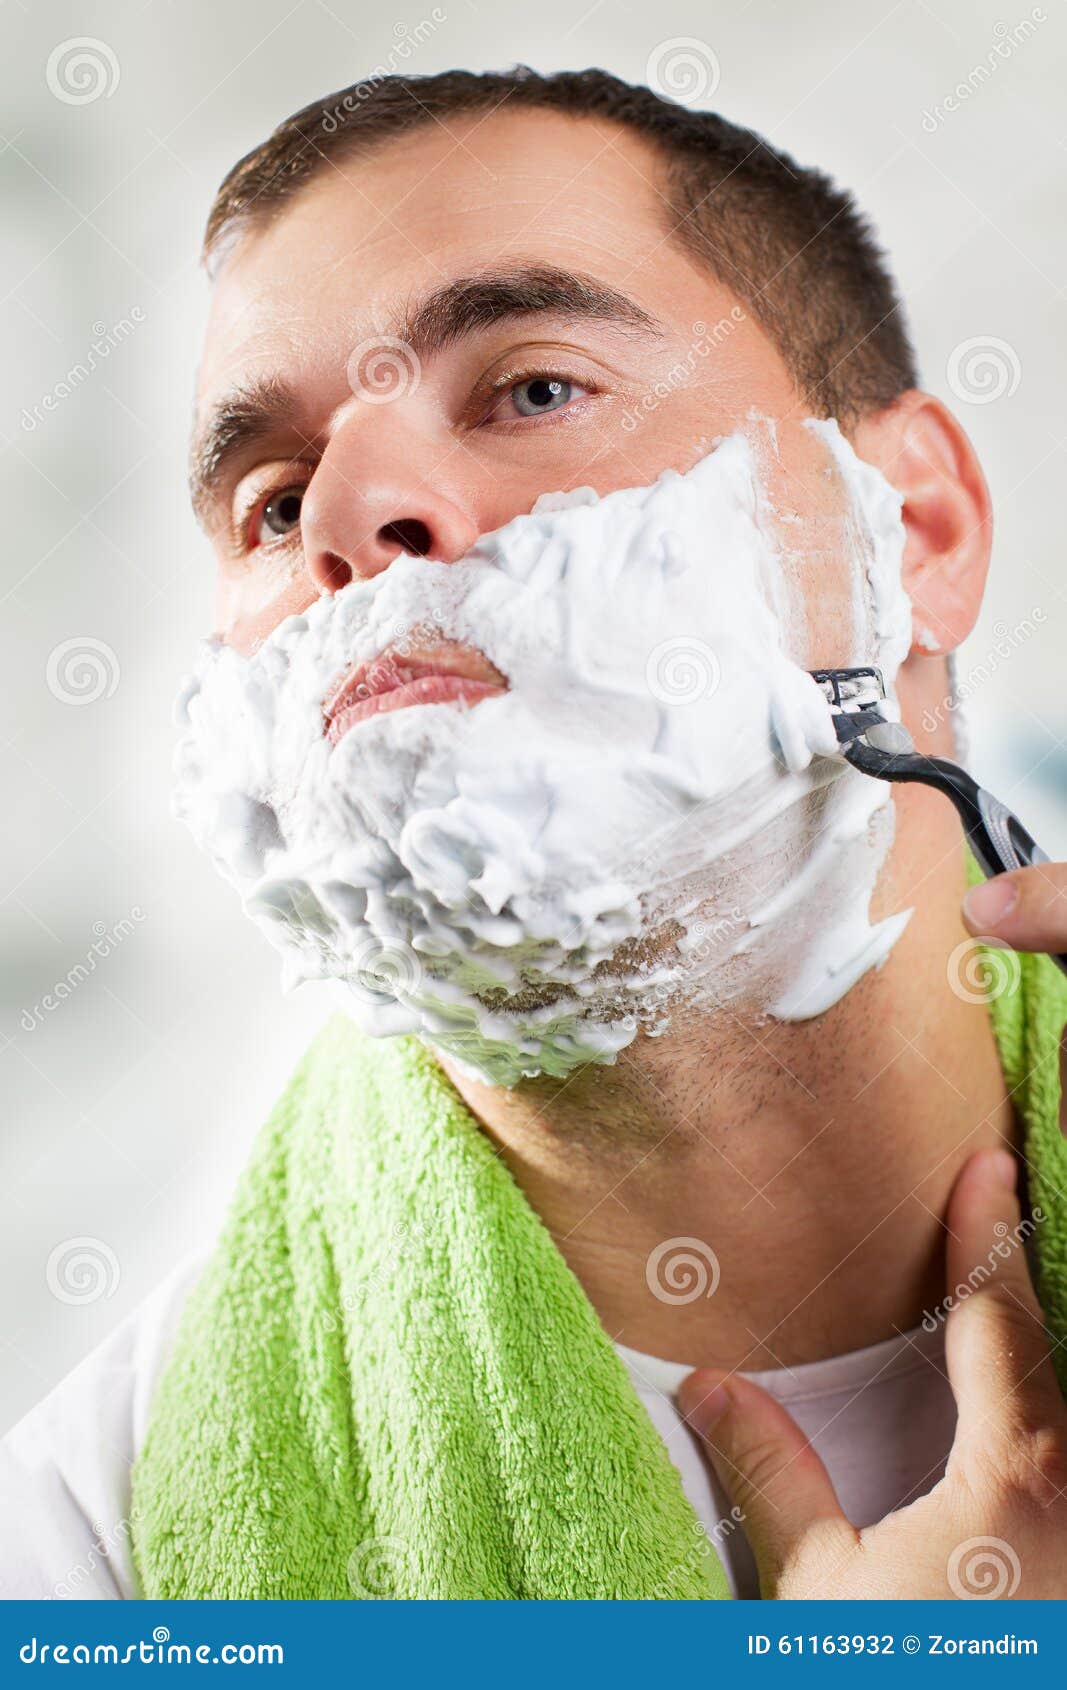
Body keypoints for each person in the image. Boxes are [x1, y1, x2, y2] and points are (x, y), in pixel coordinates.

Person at [3, 66, 1066, 1602]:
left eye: (532, 389)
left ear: (908, 532)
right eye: (271, 494)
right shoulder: (84, 1555)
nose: (346, 518)